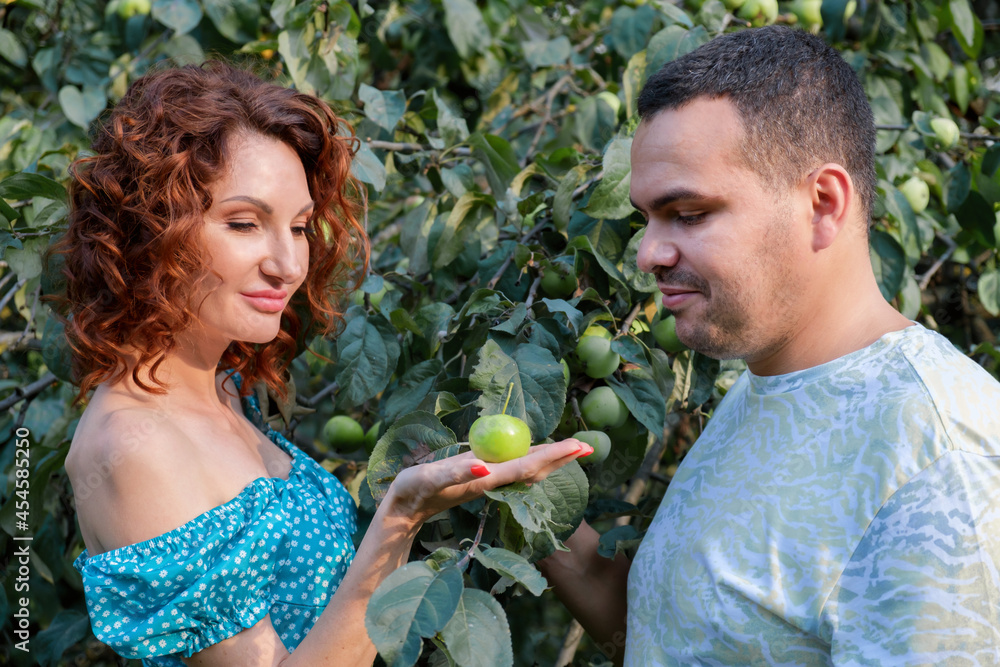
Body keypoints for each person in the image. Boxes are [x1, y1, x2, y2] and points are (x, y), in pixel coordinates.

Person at [54, 61, 592, 667]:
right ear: (151, 229)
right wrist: (403, 515)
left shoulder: (227, 387)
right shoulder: (132, 448)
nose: (287, 263)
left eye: (301, 226)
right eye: (243, 223)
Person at [538, 25, 1000, 665]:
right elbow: (684, 637)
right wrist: (525, 501)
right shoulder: (768, 383)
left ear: (822, 203)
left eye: (690, 214)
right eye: (646, 217)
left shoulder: (938, 459)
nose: (647, 254)